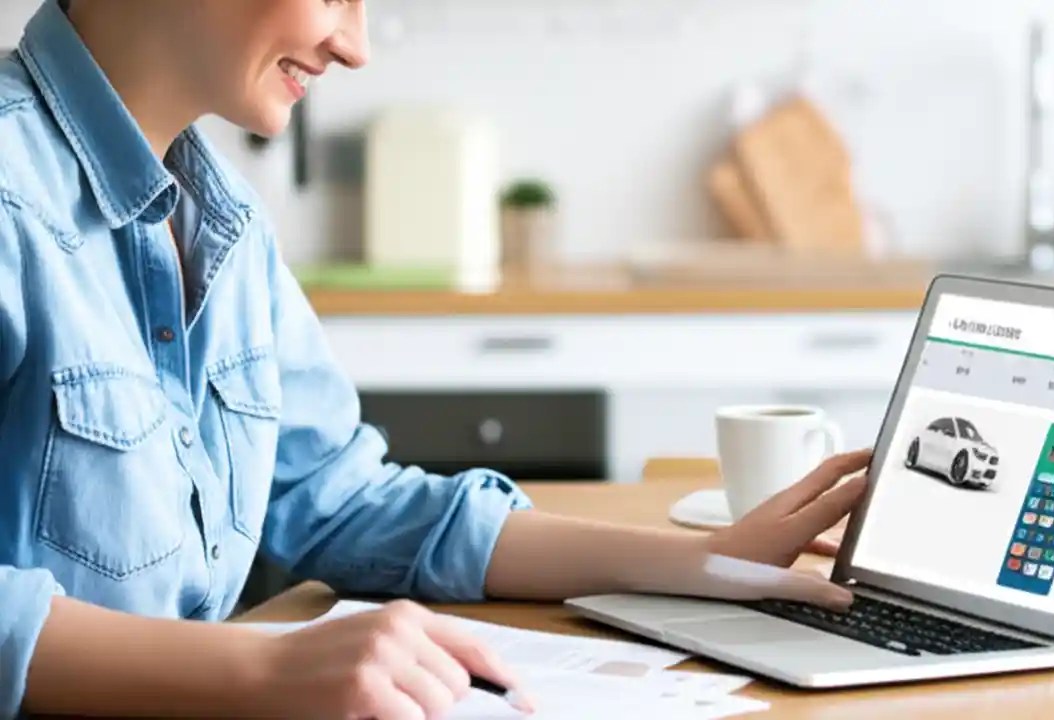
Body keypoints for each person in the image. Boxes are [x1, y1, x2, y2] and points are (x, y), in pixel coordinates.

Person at [0, 1, 871, 717]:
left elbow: (346, 503)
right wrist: (263, 672)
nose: (356, 43)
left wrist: (702, 562)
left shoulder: (222, 220)